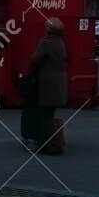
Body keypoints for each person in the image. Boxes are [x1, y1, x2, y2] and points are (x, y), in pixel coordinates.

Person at [23, 17, 68, 152]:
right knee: (50, 112)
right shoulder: (60, 43)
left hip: (47, 83)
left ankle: (47, 143)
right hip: (59, 83)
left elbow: (35, 60)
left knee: (45, 114)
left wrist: (27, 75)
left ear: (49, 29)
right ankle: (52, 142)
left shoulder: (46, 42)